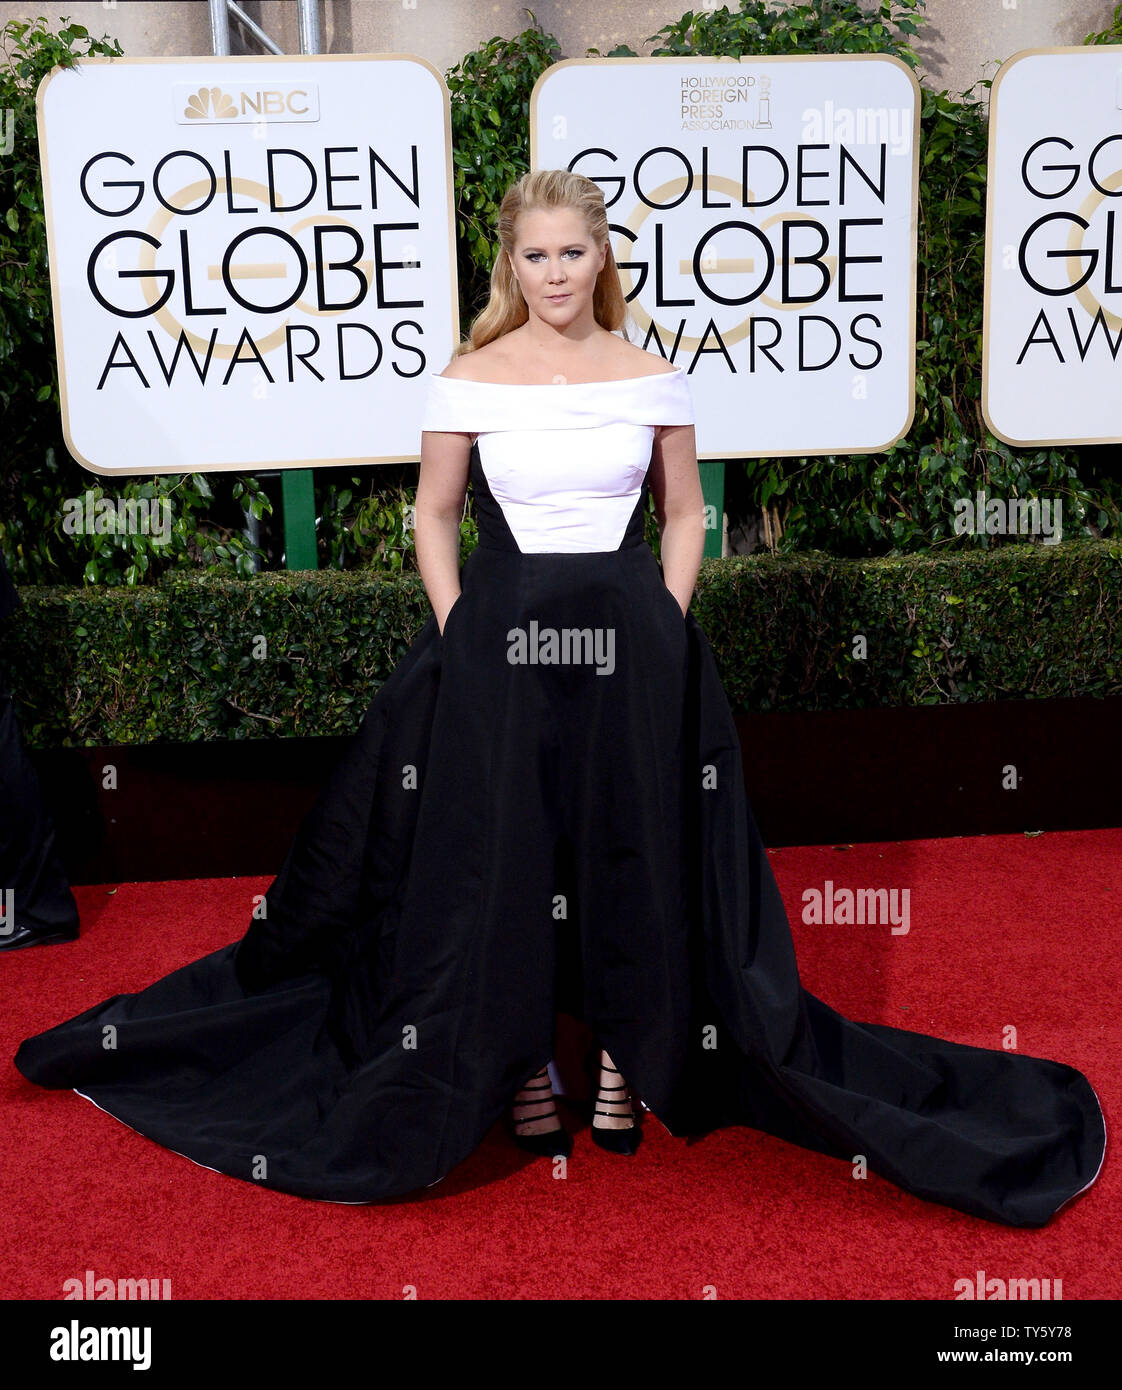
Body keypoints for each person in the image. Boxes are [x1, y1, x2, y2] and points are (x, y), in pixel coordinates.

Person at [13, 170, 1105, 1227]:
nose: (552, 273)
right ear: (511, 261)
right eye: (533, 255)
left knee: (632, 851)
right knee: (506, 863)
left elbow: (684, 513)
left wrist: (668, 621)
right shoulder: (469, 375)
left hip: (634, 651)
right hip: (501, 655)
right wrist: (459, 626)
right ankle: (524, 1061)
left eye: (571, 252)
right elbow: (434, 515)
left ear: (601, 255)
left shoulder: (652, 373)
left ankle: (626, 1059)